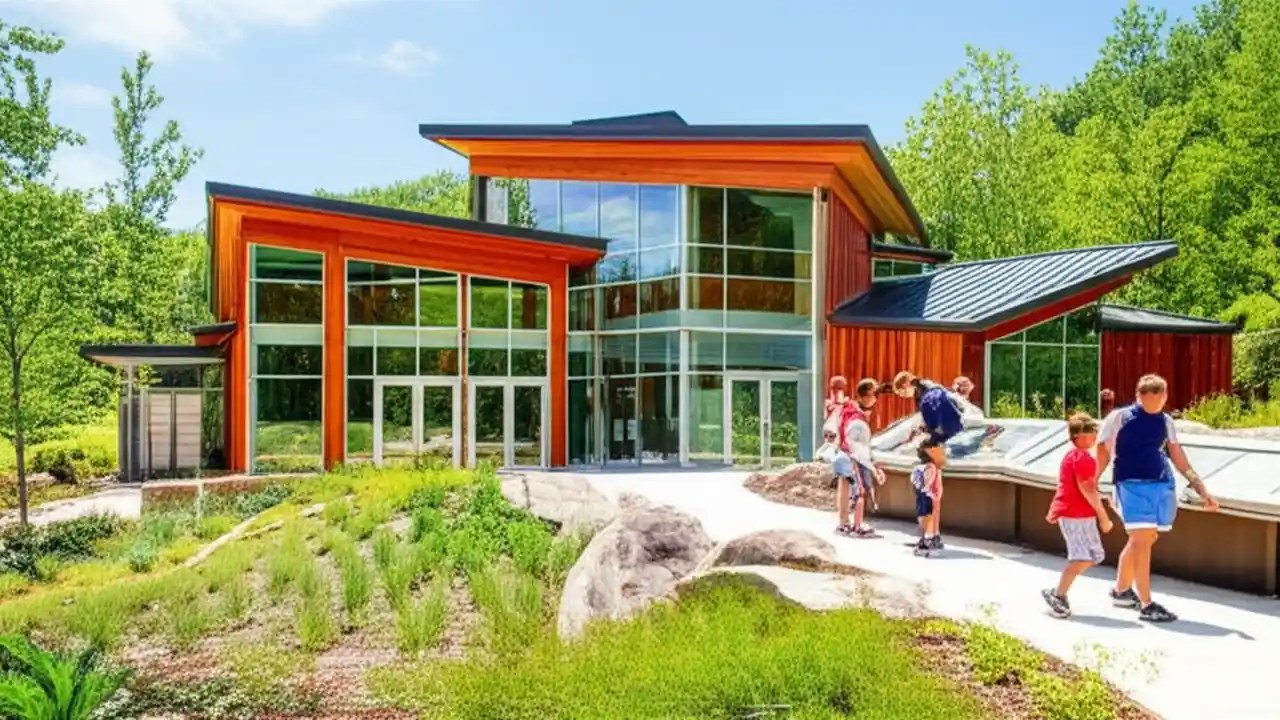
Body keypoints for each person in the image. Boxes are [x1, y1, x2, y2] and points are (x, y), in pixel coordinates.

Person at [1096, 374, 1219, 623]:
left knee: (1146, 538)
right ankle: (1147, 603)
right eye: (1148, 397)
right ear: (1139, 396)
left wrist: (1200, 487)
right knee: (1141, 540)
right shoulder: (1119, 417)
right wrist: (1093, 481)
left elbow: (1176, 453)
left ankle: (1121, 590)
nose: (1155, 402)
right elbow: (1102, 448)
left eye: (1159, 397)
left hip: (1162, 483)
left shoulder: (1165, 420)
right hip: (1130, 484)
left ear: (1164, 397)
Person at [1041, 412, 1112, 619]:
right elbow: (1087, 488)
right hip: (1075, 515)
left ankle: (1059, 593)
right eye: (1092, 432)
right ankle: (1058, 594)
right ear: (1080, 435)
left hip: (1081, 514)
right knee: (1083, 557)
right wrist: (1103, 516)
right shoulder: (1082, 458)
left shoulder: (1076, 457)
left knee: (1094, 555)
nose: (1095, 436)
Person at [892, 370, 984, 446]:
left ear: (905, 386)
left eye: (902, 394)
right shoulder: (926, 385)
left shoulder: (922, 392)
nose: (904, 396)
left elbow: (931, 414)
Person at [842, 378, 886, 532]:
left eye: (875, 396)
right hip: (856, 459)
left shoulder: (854, 414)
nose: (873, 399)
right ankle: (857, 525)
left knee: (860, 492)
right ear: (861, 397)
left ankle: (854, 523)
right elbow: (856, 445)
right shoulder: (857, 419)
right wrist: (871, 466)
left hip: (857, 457)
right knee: (860, 492)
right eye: (870, 395)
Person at [815, 427, 868, 537]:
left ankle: (845, 522)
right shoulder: (848, 416)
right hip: (847, 455)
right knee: (858, 490)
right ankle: (855, 525)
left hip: (843, 455)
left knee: (846, 485)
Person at [911, 438, 945, 556]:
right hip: (927, 495)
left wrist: (928, 490)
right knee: (925, 516)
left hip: (927, 495)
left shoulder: (931, 466)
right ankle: (930, 538)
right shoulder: (929, 466)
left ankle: (928, 539)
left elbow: (930, 481)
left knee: (926, 516)